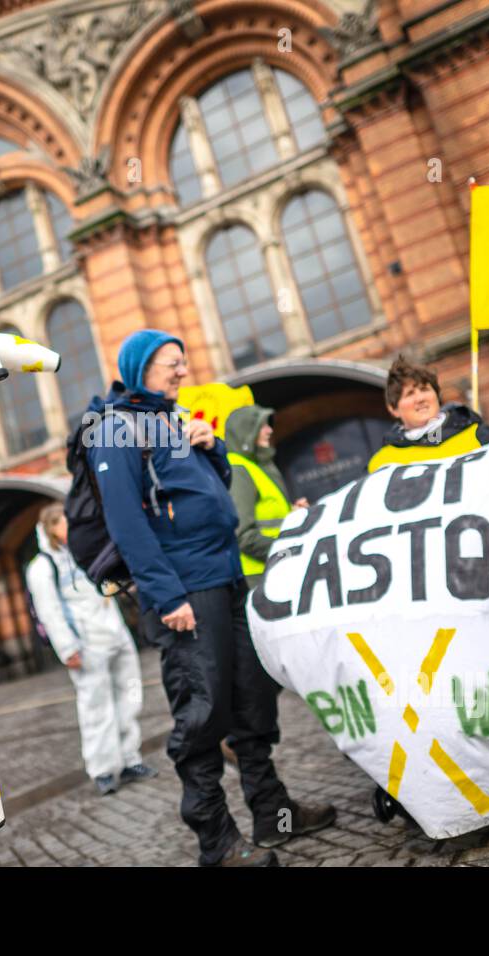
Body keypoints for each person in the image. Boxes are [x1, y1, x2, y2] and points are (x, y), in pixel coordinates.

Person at [85, 329, 335, 867]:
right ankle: (216, 843)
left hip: (225, 582)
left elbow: (215, 493)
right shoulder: (115, 429)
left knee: (251, 701)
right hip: (186, 593)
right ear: (139, 369)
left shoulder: (170, 423)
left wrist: (213, 448)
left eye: (183, 361)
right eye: (171, 363)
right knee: (201, 715)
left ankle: (272, 814)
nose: (182, 371)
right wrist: (167, 595)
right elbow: (127, 522)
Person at [25, 503, 155, 796]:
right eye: (65, 522)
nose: (72, 526)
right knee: (96, 709)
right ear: (51, 528)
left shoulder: (85, 553)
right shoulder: (42, 567)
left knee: (129, 698)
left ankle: (131, 759)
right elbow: (49, 611)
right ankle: (103, 769)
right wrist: (67, 647)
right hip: (86, 646)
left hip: (116, 635)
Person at [368, 356, 489, 479]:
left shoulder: (476, 433)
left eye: (425, 389)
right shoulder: (382, 464)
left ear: (436, 395)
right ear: (393, 409)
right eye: (409, 394)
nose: (420, 398)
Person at [225, 404, 309, 588]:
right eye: (262, 425)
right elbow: (243, 536)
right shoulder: (239, 469)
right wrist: (288, 551)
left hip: (273, 569)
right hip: (260, 576)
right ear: (245, 432)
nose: (270, 430)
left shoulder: (256, 466)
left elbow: (267, 517)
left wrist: (292, 515)